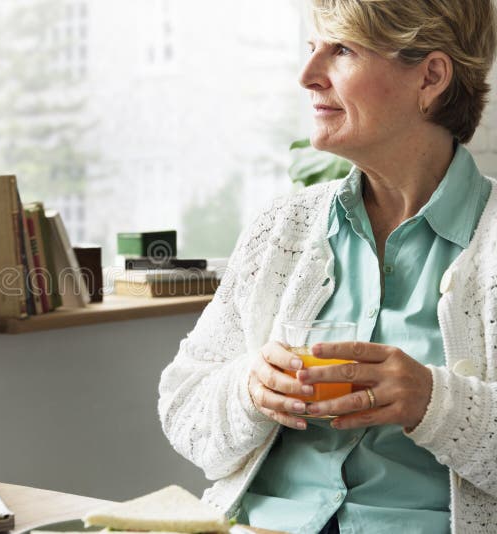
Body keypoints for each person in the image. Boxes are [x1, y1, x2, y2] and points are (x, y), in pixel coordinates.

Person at [157, 1, 497, 532]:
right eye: (311, 48)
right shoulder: (282, 228)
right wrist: (250, 388)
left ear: (430, 76)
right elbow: (183, 408)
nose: (307, 76)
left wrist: (436, 403)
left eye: (341, 50)